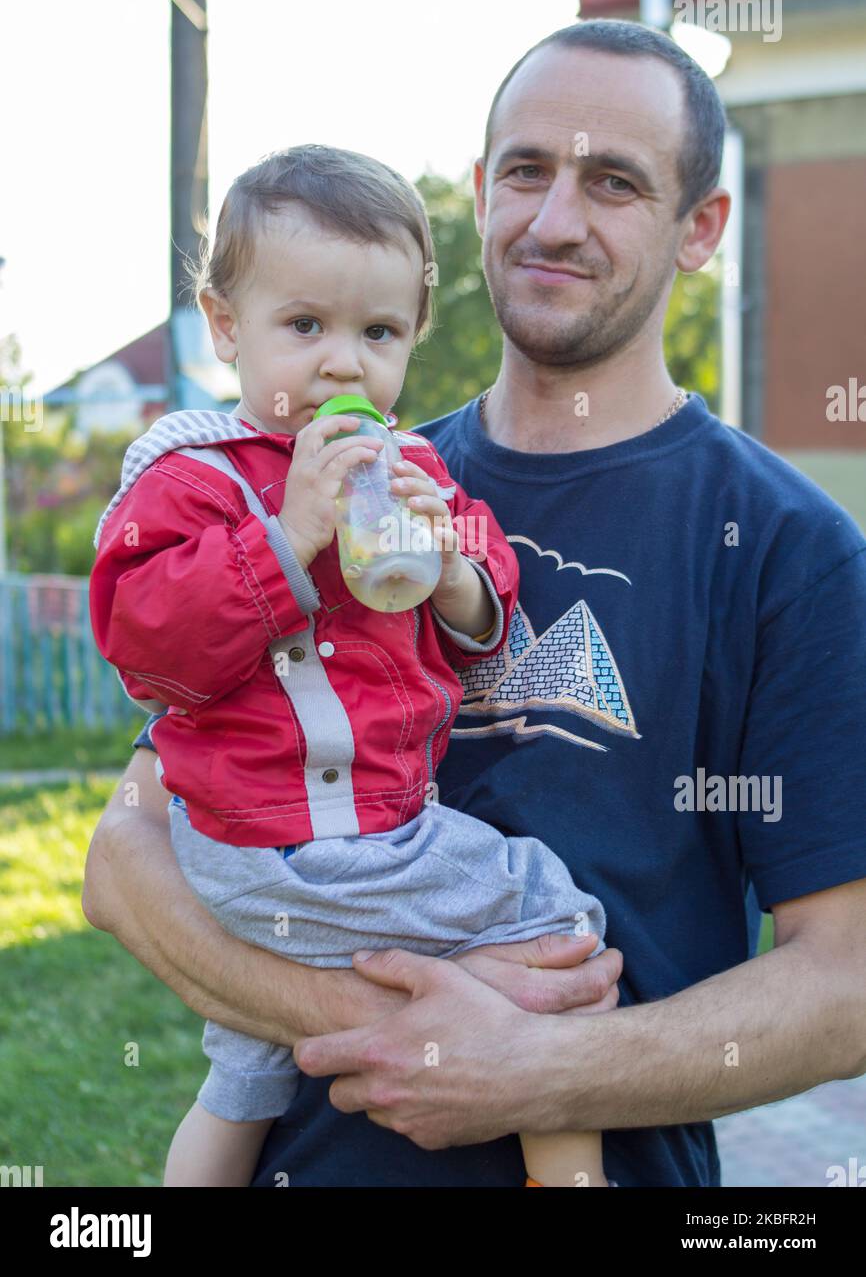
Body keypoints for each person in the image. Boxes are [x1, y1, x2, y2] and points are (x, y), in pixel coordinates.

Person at [83, 19, 866, 1189]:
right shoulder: (314, 480)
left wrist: (539, 1069)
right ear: (481, 191)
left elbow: (843, 983)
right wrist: (384, 1027)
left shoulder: (790, 550)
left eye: (611, 182)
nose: (554, 220)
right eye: (524, 171)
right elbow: (126, 854)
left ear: (698, 226)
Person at [88, 143, 613, 1188]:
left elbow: (490, 607)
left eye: (376, 333)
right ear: (226, 328)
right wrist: (286, 535)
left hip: (305, 857)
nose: (341, 364)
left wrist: (450, 567)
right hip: (299, 842)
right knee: (556, 924)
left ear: (414, 336)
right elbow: (148, 647)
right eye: (304, 327)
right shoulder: (192, 478)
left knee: (243, 1066)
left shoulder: (410, 468)